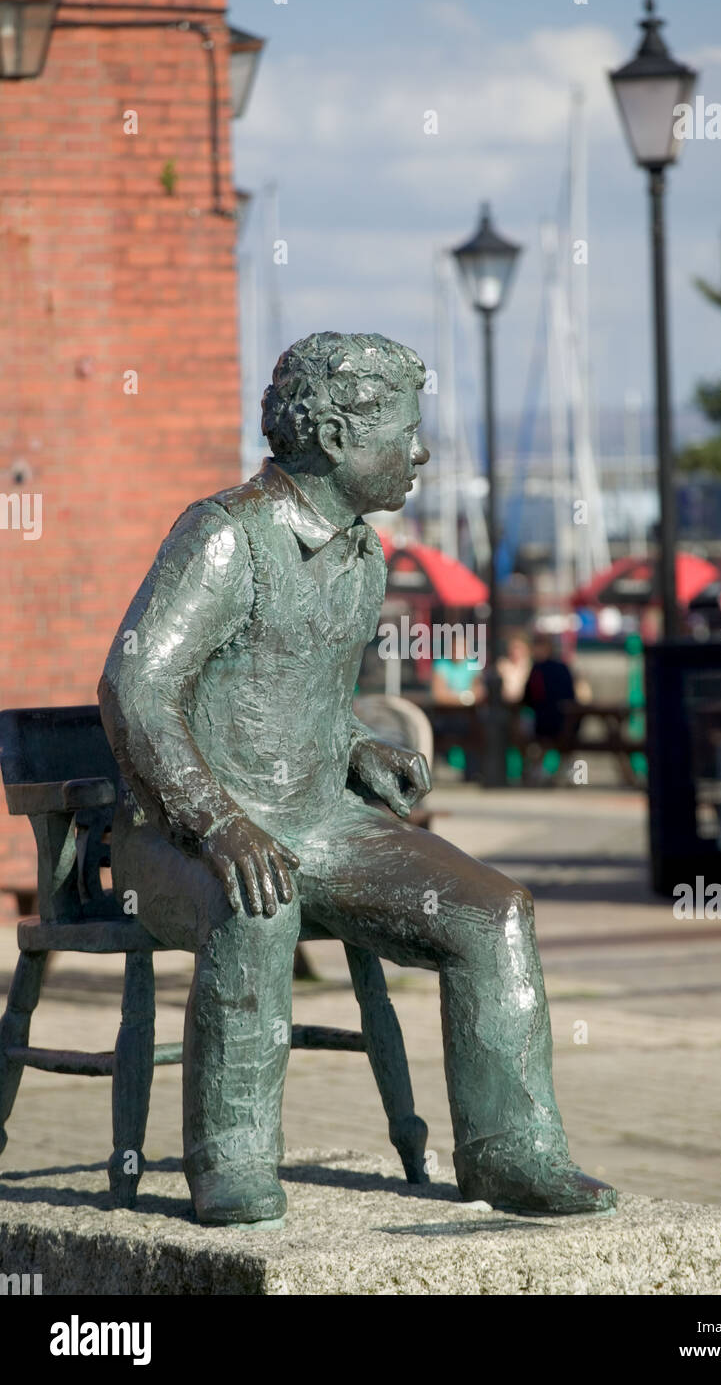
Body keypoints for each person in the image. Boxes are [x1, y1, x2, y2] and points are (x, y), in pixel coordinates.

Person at [99, 332, 616, 1228]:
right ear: (335, 437)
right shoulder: (226, 537)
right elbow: (135, 686)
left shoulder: (361, 555)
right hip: (180, 839)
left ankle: (511, 1152)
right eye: (406, 434)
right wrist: (216, 821)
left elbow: (301, 696)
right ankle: (231, 1161)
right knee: (260, 904)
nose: (421, 454)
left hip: (321, 825)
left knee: (491, 914)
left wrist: (359, 747)